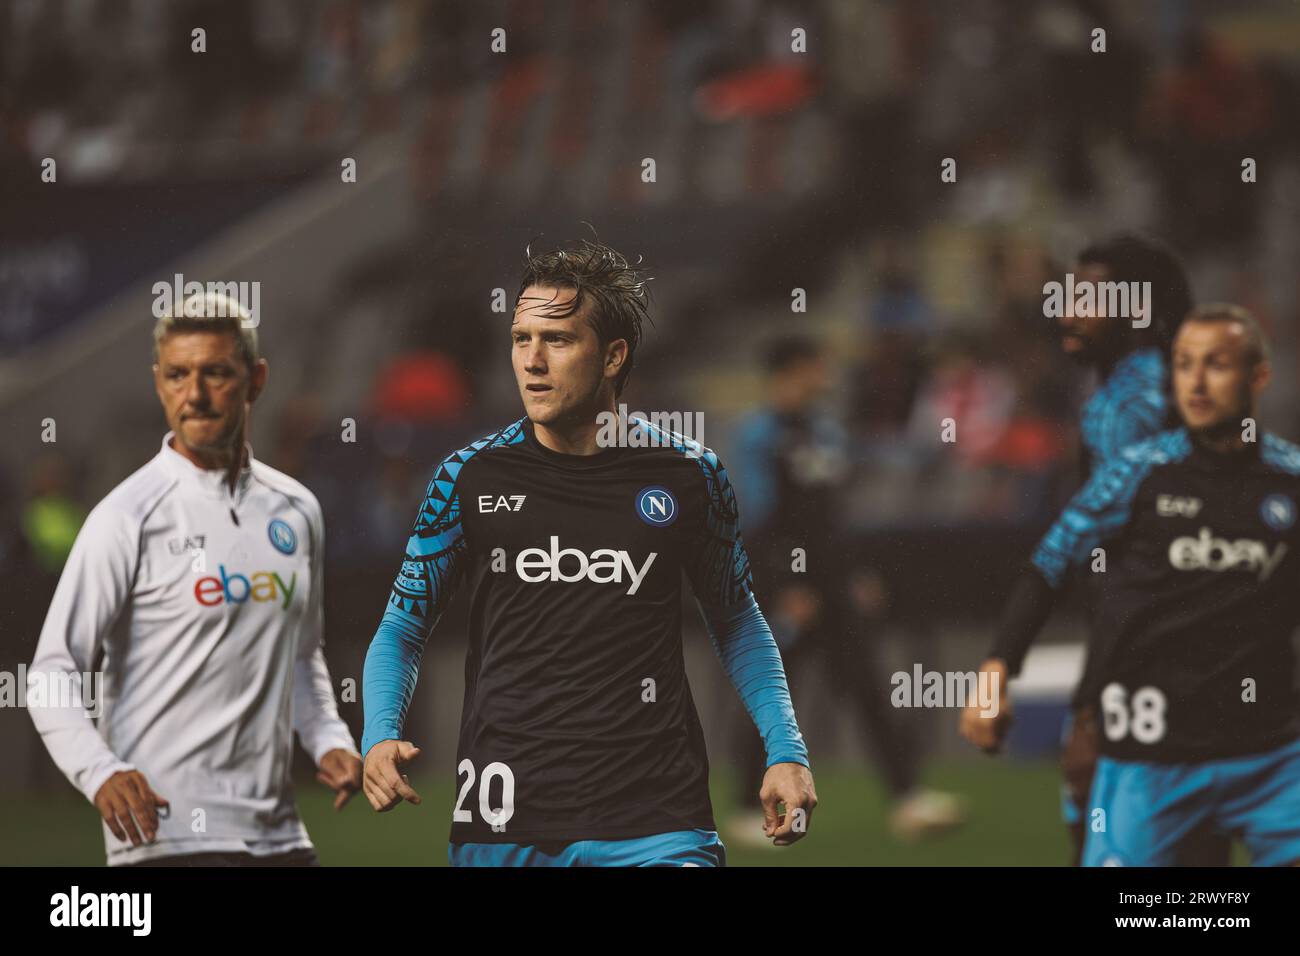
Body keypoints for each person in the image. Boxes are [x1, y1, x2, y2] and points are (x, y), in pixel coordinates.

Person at [361, 238, 816, 866]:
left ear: (613, 355)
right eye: (521, 339)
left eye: (558, 340)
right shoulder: (468, 478)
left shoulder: (689, 475)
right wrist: (380, 733)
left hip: (656, 816)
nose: (532, 361)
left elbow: (737, 619)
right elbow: (401, 627)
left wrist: (786, 750)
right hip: (505, 819)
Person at [28, 291, 361, 866]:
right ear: (160, 383)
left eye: (216, 373)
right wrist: (100, 771)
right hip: (167, 837)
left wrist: (328, 738)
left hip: (278, 838)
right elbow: (51, 674)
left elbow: (302, 655)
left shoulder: (296, 509)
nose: (196, 395)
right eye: (178, 375)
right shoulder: (127, 516)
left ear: (255, 380)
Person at [968, 305, 1300, 865]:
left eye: (1215, 364)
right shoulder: (1135, 472)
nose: (1194, 382)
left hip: (1271, 761)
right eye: (1183, 365)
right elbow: (1050, 562)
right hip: (1151, 764)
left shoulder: (1290, 481)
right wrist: (998, 667)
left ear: (1258, 377)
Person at [958, 234, 1229, 864]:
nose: (1066, 310)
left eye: (1088, 297)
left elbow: (1075, 545)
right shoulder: (1165, 386)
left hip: (1155, 664)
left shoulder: (1128, 405)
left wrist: (1004, 662)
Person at [730, 335, 963, 843]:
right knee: (770, 698)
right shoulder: (760, 435)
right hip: (790, 593)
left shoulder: (826, 433)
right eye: (817, 365)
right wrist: (786, 585)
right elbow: (759, 518)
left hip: (833, 586)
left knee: (867, 689)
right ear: (792, 370)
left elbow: (831, 518)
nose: (826, 375)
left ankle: (907, 798)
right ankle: (748, 808)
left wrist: (853, 573)